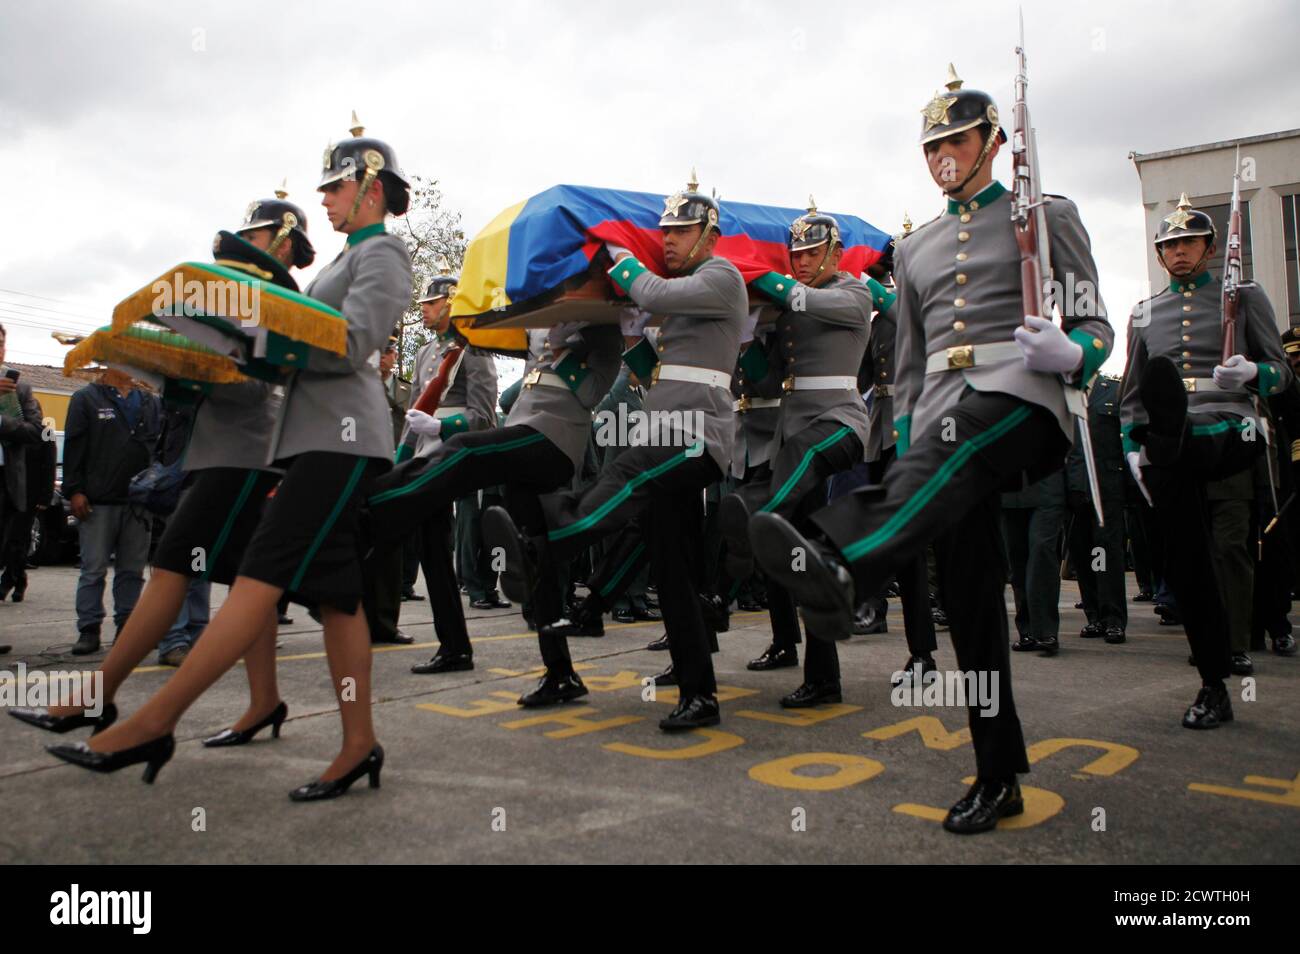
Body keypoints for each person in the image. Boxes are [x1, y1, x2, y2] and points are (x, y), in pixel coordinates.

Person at [749, 66, 1112, 833]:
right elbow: (907, 367)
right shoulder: (912, 251)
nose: (944, 155)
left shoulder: (1044, 215)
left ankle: (842, 561)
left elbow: (1097, 325)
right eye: (933, 146)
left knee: (963, 438)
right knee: (975, 599)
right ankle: (997, 770)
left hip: (1025, 398)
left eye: (957, 139)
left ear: (994, 143)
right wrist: (904, 440)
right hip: (944, 428)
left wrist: (1073, 352)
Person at [46, 122, 413, 800]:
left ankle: (155, 720)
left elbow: (352, 341)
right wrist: (227, 337)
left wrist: (256, 330)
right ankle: (360, 744)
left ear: (370, 187)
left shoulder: (383, 253)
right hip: (311, 439)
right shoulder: (342, 260)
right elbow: (297, 345)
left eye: (335, 187)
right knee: (337, 598)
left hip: (340, 438)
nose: (326, 199)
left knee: (257, 579)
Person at [11, 192, 314, 739]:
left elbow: (258, 380)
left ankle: (99, 696)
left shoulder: (283, 304)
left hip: (243, 456)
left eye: (258, 236)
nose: (246, 246)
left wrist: (194, 364)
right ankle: (265, 701)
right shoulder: (237, 296)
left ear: (285, 243)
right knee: (256, 584)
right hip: (221, 451)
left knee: (172, 567)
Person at [483, 172, 746, 731]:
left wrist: (620, 255)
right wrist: (632, 339)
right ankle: (700, 691)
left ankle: (545, 545)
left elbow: (650, 291)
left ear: (709, 235)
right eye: (664, 231)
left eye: (681, 230)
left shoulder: (722, 276)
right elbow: (656, 371)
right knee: (670, 566)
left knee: (624, 476)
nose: (669, 238)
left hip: (695, 432)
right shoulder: (679, 306)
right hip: (666, 427)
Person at [368, 313, 623, 702]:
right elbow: (496, 339)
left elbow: (590, 393)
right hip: (523, 431)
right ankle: (558, 673)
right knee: (536, 555)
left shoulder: (602, 329)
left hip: (552, 441)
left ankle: (367, 510)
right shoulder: (542, 318)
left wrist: (561, 352)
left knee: (463, 450)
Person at [1119, 193, 1291, 727]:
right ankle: (1211, 658)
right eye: (1169, 245)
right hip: (1173, 437)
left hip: (1232, 424)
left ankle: (1236, 640)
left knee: (1231, 546)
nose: (1179, 252)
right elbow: (1132, 393)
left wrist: (1253, 376)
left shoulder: (1244, 296)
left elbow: (1281, 372)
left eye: (1189, 241)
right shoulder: (1145, 312)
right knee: (1187, 556)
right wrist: (1130, 445)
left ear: (1211, 247)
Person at [717, 199, 872, 706]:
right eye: (794, 254)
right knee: (801, 549)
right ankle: (823, 677)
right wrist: (747, 339)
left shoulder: (854, 291)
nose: (801, 261)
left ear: (835, 252)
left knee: (789, 477)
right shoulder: (785, 312)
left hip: (839, 423)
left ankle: (760, 522)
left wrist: (764, 278)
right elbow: (763, 378)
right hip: (793, 427)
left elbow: (812, 303)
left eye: (810, 252)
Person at [376, 267, 498, 668]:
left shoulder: (474, 349)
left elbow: (483, 418)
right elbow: (414, 415)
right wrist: (401, 459)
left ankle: (454, 645)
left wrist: (444, 425)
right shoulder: (426, 353)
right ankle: (453, 645)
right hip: (425, 455)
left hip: (455, 453)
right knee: (430, 546)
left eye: (431, 303)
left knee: (433, 542)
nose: (424, 309)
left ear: (452, 304)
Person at [62, 368, 162, 654]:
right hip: (98, 501)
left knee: (132, 570)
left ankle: (127, 629)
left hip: (139, 502)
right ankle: (89, 630)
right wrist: (74, 490)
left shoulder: (150, 401)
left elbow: (159, 447)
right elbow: (74, 446)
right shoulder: (86, 398)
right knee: (93, 569)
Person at [0, 339, 48, 603]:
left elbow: (37, 433)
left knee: (13, 545)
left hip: (11, 483)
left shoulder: (20, 390)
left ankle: (15, 580)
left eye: (0, 344)